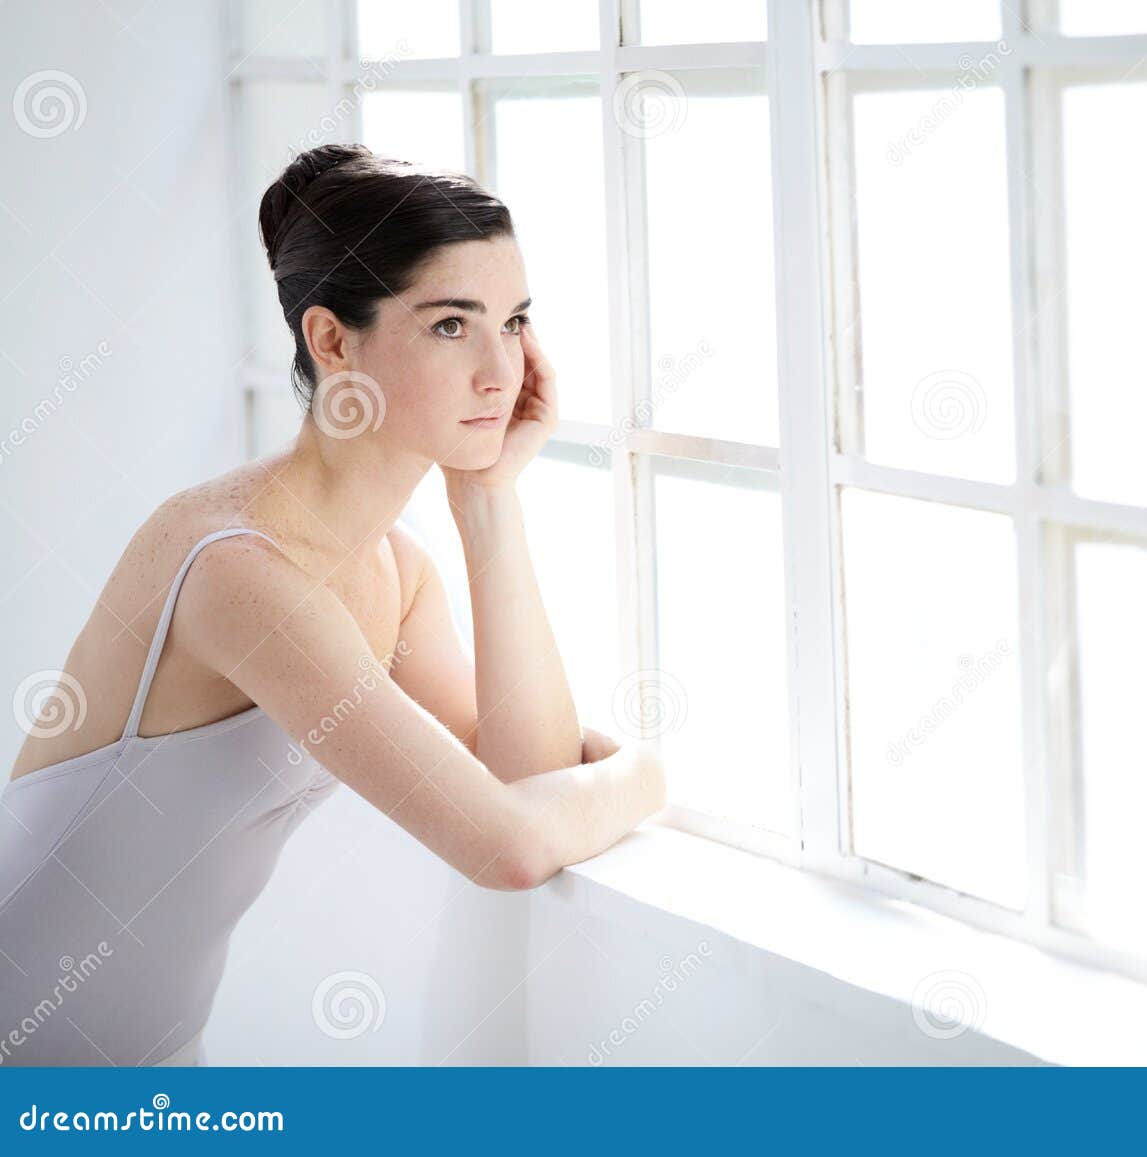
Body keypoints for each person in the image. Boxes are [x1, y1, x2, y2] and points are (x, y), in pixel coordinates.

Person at [0, 144, 666, 1066]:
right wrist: (645, 774)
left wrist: (486, 503)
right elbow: (507, 845)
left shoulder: (393, 570)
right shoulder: (237, 570)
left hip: (151, 1064)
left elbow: (525, 774)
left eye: (514, 322)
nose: (499, 371)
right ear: (332, 339)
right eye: (449, 326)